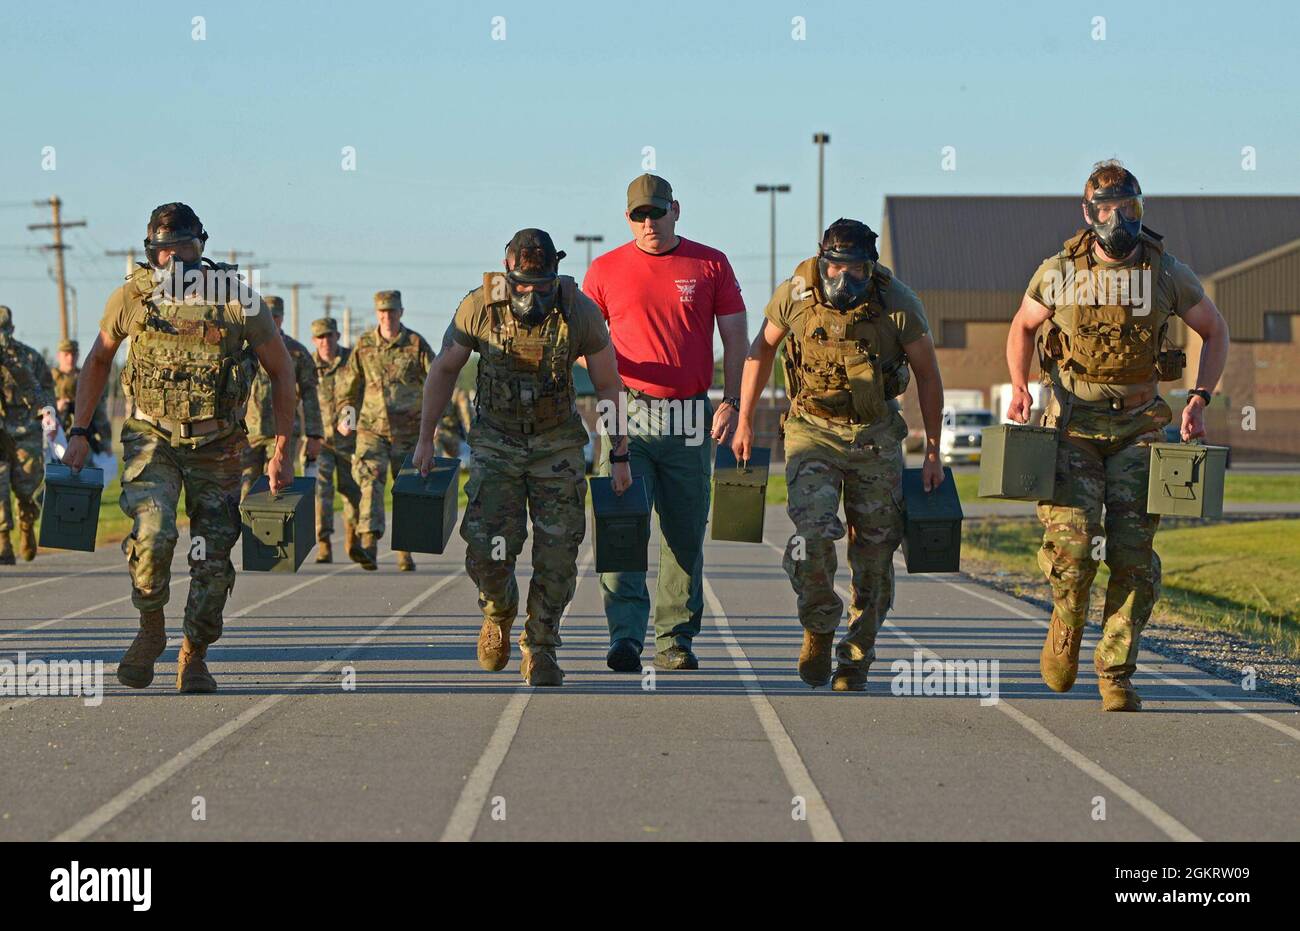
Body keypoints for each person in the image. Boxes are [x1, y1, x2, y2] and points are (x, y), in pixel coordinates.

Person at [1006, 160, 1229, 712]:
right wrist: (1018, 388)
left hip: (1140, 427)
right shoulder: (1060, 270)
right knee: (1074, 549)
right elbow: (1022, 326)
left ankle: (1116, 671)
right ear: (1088, 213)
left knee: (1134, 556)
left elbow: (1214, 330)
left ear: (1139, 208)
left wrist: (1200, 397)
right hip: (1073, 424)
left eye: (1128, 208)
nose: (1118, 220)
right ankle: (1065, 624)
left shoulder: (1166, 272)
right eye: (1106, 210)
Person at [61, 202, 296, 693]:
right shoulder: (132, 296)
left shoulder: (237, 299)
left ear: (200, 247)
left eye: (182, 248)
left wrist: (281, 449)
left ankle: (195, 653)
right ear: (151, 252)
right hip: (152, 438)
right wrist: (79, 433)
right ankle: (150, 630)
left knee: (212, 559)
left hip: (220, 444)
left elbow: (282, 371)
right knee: (154, 533)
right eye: (162, 250)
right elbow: (99, 359)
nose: (172, 260)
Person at [732, 218, 945, 691]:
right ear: (821, 261)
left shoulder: (898, 304)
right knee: (811, 535)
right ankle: (820, 624)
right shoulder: (796, 293)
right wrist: (745, 417)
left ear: (871, 268)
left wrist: (932, 449)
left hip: (875, 436)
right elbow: (761, 348)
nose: (841, 281)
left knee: (873, 554)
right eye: (833, 269)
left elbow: (928, 375)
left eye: (854, 271)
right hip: (812, 430)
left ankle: (856, 656)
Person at [413, 229, 631, 687]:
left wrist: (621, 452)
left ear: (555, 274)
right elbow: (445, 369)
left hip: (557, 445)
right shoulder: (480, 305)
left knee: (559, 552)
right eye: (523, 285)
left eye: (542, 285)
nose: (532, 295)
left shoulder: (578, 309)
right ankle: (499, 612)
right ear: (508, 272)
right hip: (496, 442)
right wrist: (426, 438)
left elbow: (609, 383)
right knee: (487, 549)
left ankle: (542, 646)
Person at [581, 173, 748, 672]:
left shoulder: (710, 263)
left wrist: (733, 401)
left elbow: (736, 339)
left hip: (692, 413)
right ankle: (625, 637)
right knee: (622, 525)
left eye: (657, 212)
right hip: (628, 411)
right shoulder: (604, 270)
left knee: (684, 532)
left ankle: (674, 639)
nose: (649, 222)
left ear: (676, 209)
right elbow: (589, 349)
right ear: (627, 218)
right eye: (639, 215)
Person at [338, 290, 434, 572]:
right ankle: (368, 544)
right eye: (382, 313)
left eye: (391, 312)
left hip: (408, 431)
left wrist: (435, 424)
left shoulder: (416, 344)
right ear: (376, 314)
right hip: (371, 429)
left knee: (406, 491)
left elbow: (438, 380)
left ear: (401, 312)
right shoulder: (364, 344)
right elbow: (349, 387)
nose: (387, 317)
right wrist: (347, 417)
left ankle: (405, 551)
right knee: (370, 480)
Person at [239, 296, 323, 499]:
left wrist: (314, 434)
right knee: (244, 491)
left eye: (275, 316)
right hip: (249, 433)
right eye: (268, 315)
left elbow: (310, 394)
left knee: (277, 490)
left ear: (282, 318)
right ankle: (247, 530)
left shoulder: (297, 353)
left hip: (281, 435)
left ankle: (278, 530)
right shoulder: (245, 349)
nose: (272, 320)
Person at [0, 305, 57, 564]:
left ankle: (26, 525)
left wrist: (46, 414)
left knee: (27, 491)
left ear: (11, 329)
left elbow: (45, 392)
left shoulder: (29, 358)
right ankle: (3, 542)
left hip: (25, 433)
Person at [309, 316, 362, 563]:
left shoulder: (352, 360)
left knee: (352, 492)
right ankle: (324, 543)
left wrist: (350, 418)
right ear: (314, 340)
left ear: (337, 336)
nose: (325, 342)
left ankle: (353, 538)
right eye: (320, 337)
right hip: (319, 440)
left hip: (348, 440)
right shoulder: (307, 365)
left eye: (329, 336)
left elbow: (360, 394)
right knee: (322, 491)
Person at [51, 339, 113, 456]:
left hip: (82, 436)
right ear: (59, 355)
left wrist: (106, 443)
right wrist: (56, 406)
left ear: (78, 355)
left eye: (73, 354)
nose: (70, 358)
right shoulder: (49, 379)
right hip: (54, 438)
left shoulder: (86, 378)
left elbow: (100, 413)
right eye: (66, 354)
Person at [433, 386, 473, 459]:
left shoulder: (457, 394)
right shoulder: (456, 393)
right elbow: (466, 416)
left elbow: (466, 415)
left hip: (447, 436)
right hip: (448, 436)